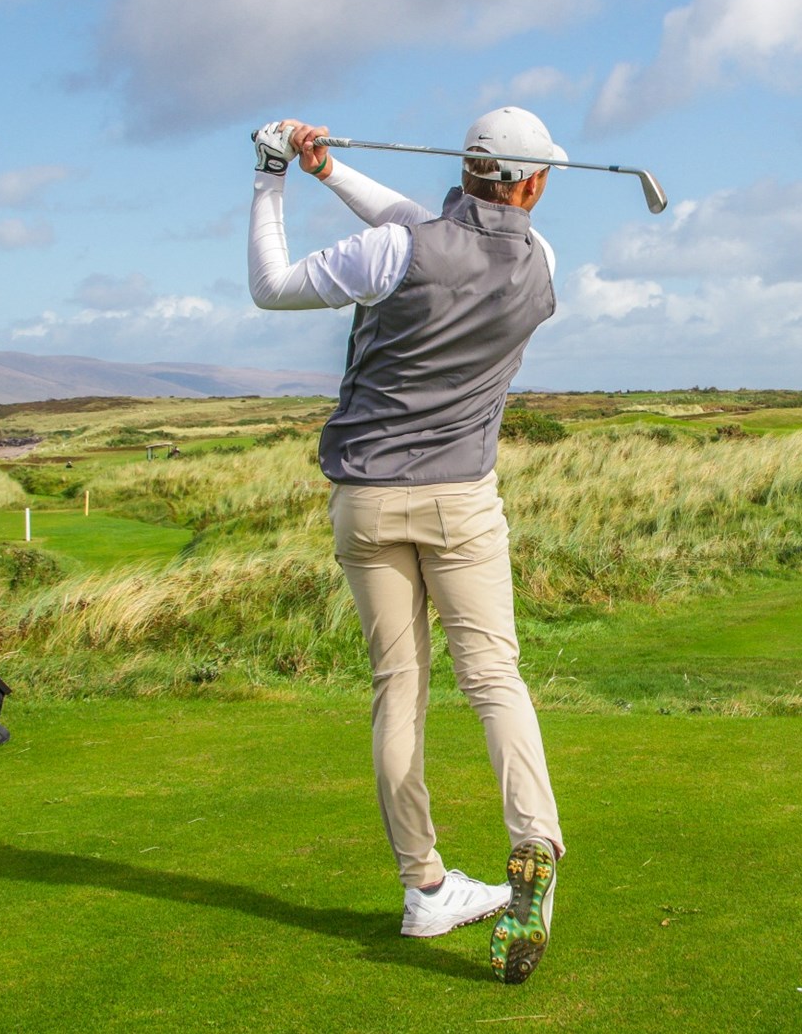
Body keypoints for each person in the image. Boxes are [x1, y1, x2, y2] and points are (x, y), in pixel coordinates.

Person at [248, 108, 565, 984]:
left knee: (401, 689)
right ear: (529, 183)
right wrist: (326, 172)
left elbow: (276, 285)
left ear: (467, 168)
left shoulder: (399, 252)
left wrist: (272, 174)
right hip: (464, 501)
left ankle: (424, 884)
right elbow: (418, 231)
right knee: (494, 677)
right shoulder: (543, 268)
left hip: (367, 504)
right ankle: (533, 842)